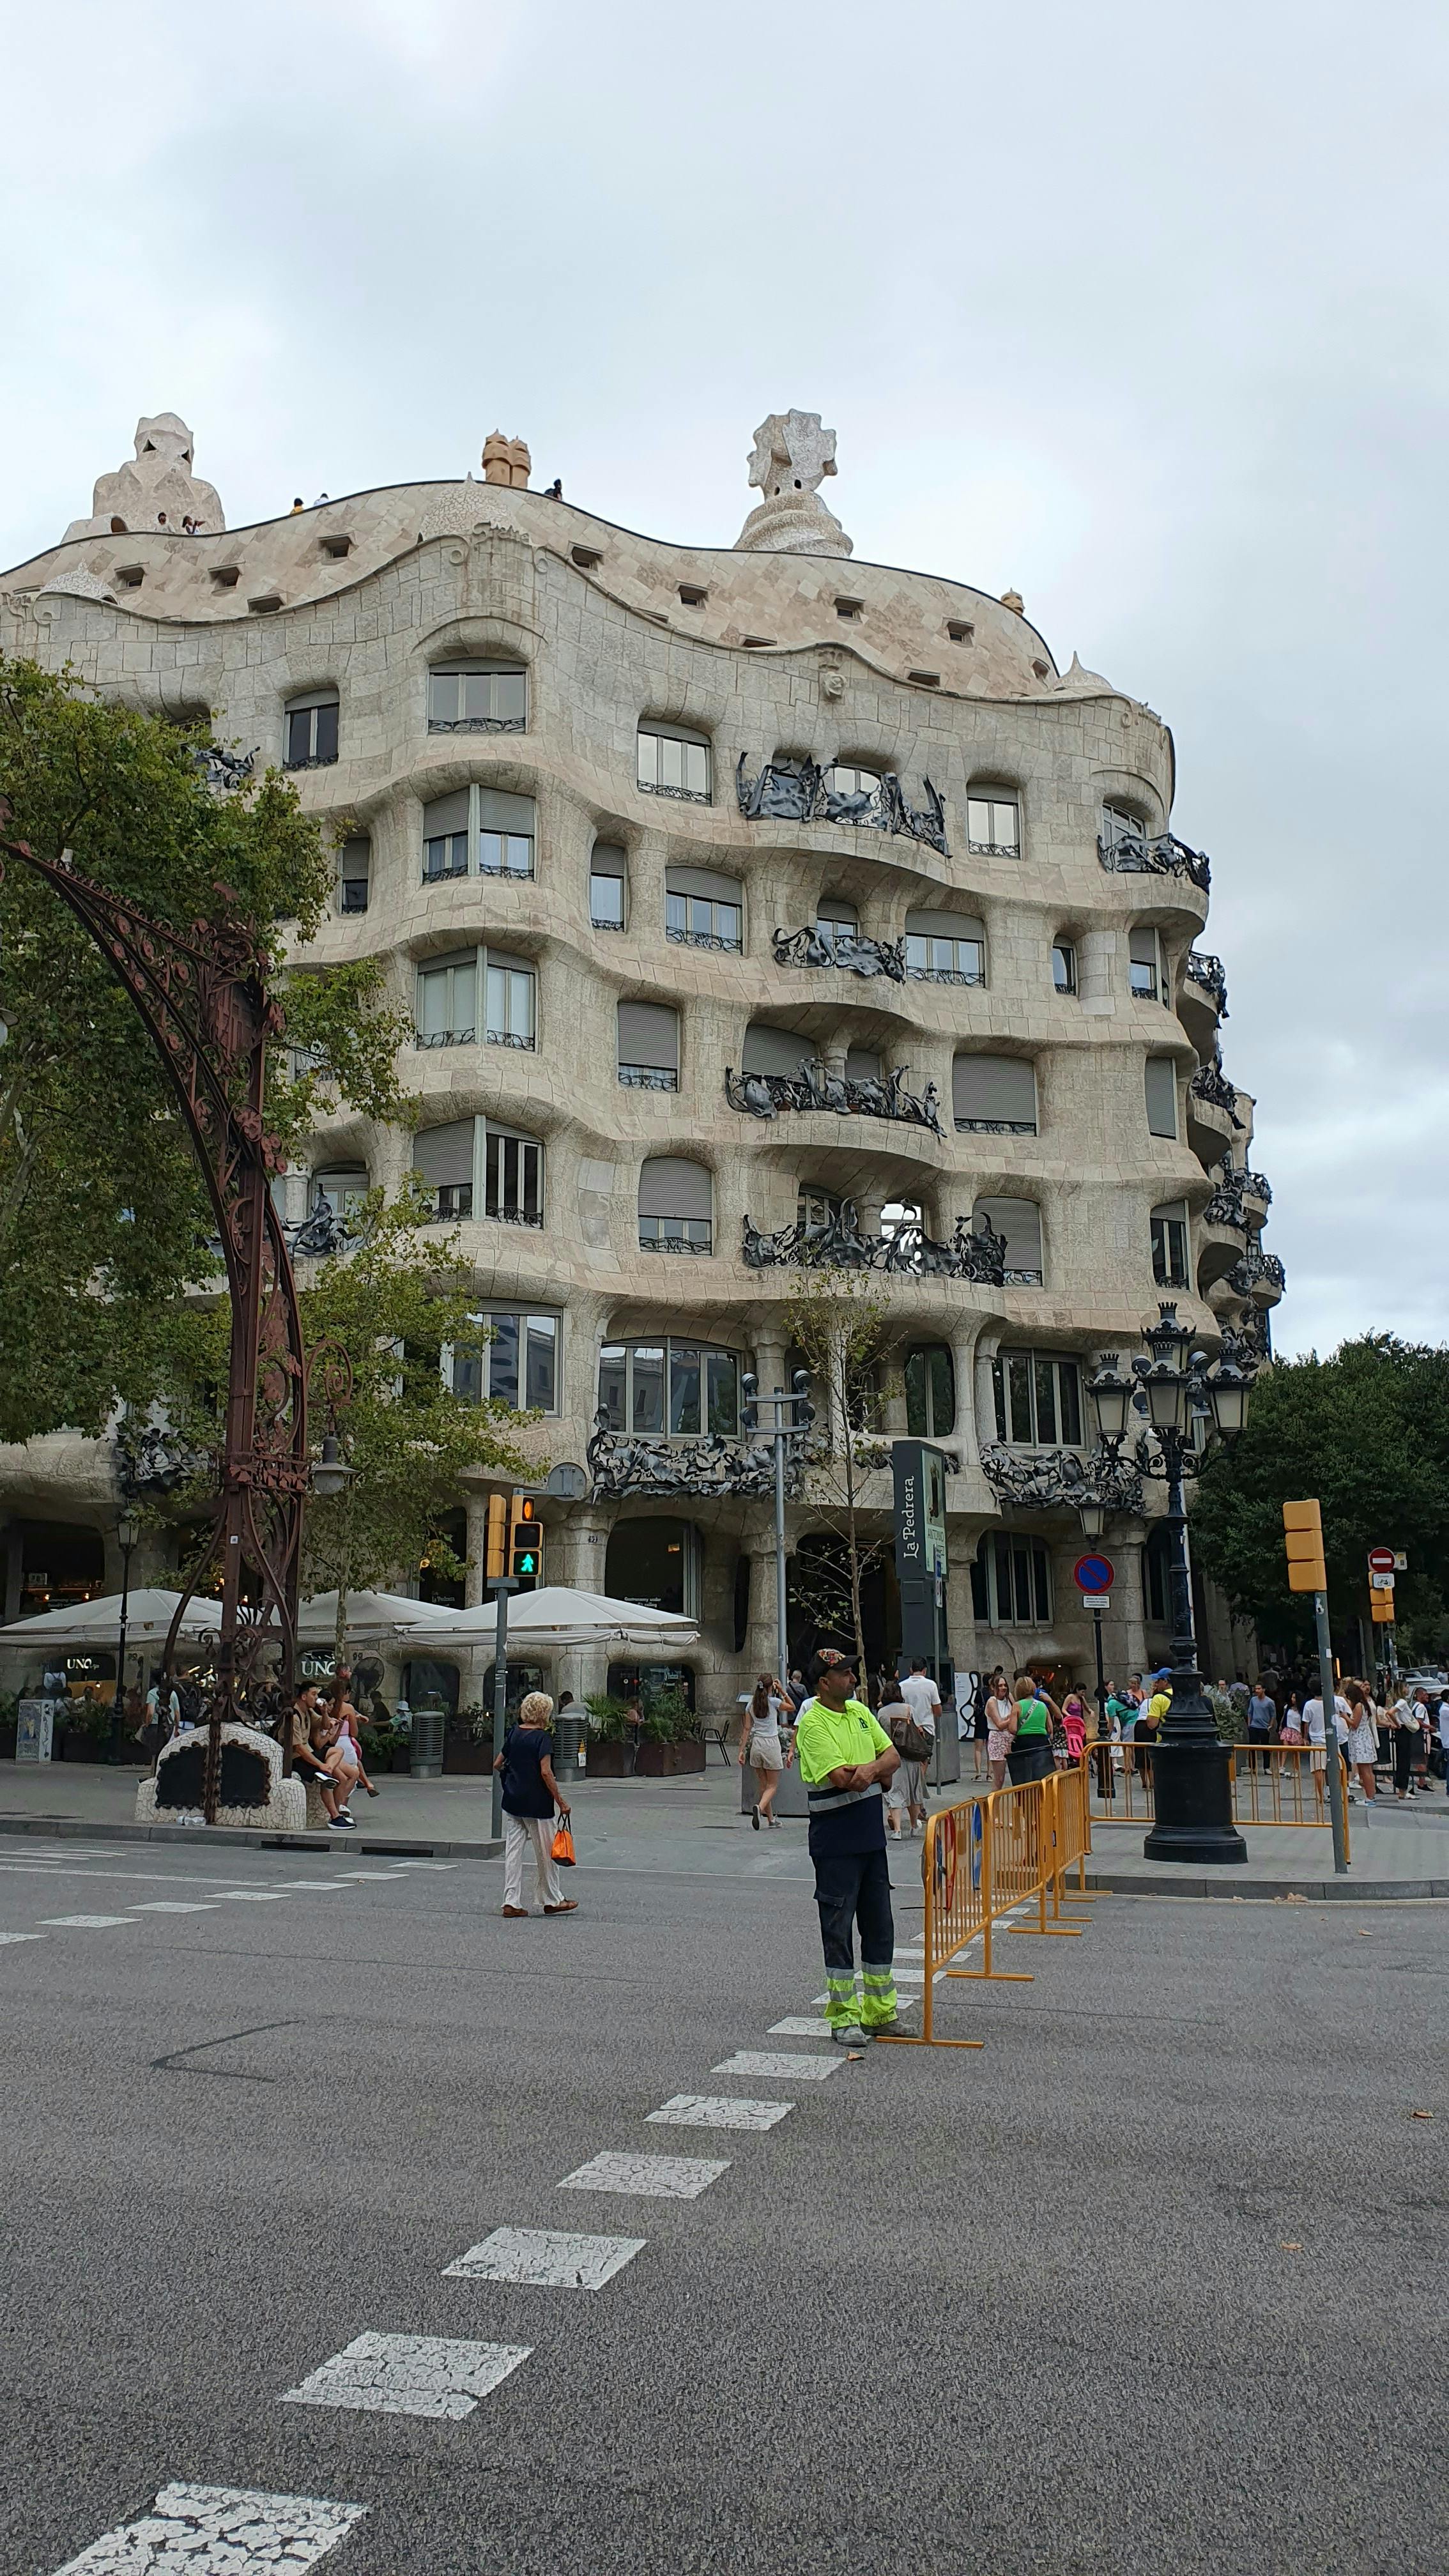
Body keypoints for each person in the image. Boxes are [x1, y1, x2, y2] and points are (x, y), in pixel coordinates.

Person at [793, 1657, 901, 2043]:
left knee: (880, 1928)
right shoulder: (813, 1724)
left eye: (852, 1672)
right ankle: (843, 2018)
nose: (853, 1678)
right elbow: (842, 1779)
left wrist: (869, 1770)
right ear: (824, 1683)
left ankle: (880, 2013)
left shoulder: (859, 1711)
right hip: (836, 1844)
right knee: (838, 1932)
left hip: (871, 1840)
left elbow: (894, 1757)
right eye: (844, 1674)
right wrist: (876, 1771)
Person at [494, 1689, 576, 1916]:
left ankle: (511, 1901)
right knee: (547, 1853)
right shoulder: (542, 1738)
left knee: (513, 1852)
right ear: (544, 1714)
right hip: (538, 1804)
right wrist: (561, 1801)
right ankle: (553, 1899)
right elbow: (546, 1772)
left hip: (513, 1801)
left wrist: (512, 1779)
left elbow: (497, 1763)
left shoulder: (514, 1733)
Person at [740, 1671, 794, 1828]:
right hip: (771, 1744)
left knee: (764, 1785)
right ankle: (760, 1807)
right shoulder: (774, 1702)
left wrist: (741, 1751)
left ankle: (771, 1820)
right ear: (771, 1687)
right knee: (772, 1786)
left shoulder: (750, 1704)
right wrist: (782, 1690)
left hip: (756, 1744)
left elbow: (747, 1728)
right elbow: (792, 1707)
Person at [881, 1685, 931, 1839]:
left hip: (892, 1756)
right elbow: (919, 1729)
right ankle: (914, 1825)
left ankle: (897, 1830)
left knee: (894, 1791)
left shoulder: (882, 1713)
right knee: (912, 1792)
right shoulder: (909, 1709)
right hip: (911, 1756)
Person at [1006, 1671, 1054, 1786]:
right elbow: (1050, 1729)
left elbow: (1013, 1729)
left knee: (1024, 1778)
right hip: (1042, 1744)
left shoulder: (1017, 1705)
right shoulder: (1042, 1705)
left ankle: (1026, 1796)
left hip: (1023, 1745)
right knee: (1041, 1777)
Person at [1342, 1681, 1378, 1802]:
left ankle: (1369, 1797)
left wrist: (1345, 1716)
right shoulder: (1364, 1704)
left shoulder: (1358, 1706)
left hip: (1360, 1739)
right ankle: (1371, 1795)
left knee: (1364, 1770)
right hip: (1365, 1737)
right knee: (1368, 1770)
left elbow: (1355, 1724)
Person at [985, 1671, 1015, 1793]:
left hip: (1011, 1738)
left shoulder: (1010, 1697)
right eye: (1000, 1685)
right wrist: (1012, 1718)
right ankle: (992, 1804)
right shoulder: (992, 1701)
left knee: (1015, 1777)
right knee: (999, 1780)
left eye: (1005, 1685)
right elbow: (1000, 1724)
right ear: (993, 1687)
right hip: (998, 1738)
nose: (1003, 1688)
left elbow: (1017, 1710)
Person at [1246, 1679, 1276, 1774]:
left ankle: (1266, 1767)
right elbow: (1250, 1712)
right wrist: (1249, 1724)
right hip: (1254, 1726)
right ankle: (1252, 1767)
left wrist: (1270, 1725)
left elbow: (1273, 1715)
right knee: (1252, 1747)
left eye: (1259, 1689)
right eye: (1256, 1689)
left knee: (1265, 1747)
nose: (1257, 1691)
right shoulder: (1253, 1700)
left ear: (1264, 1689)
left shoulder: (1270, 1702)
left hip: (1264, 1727)